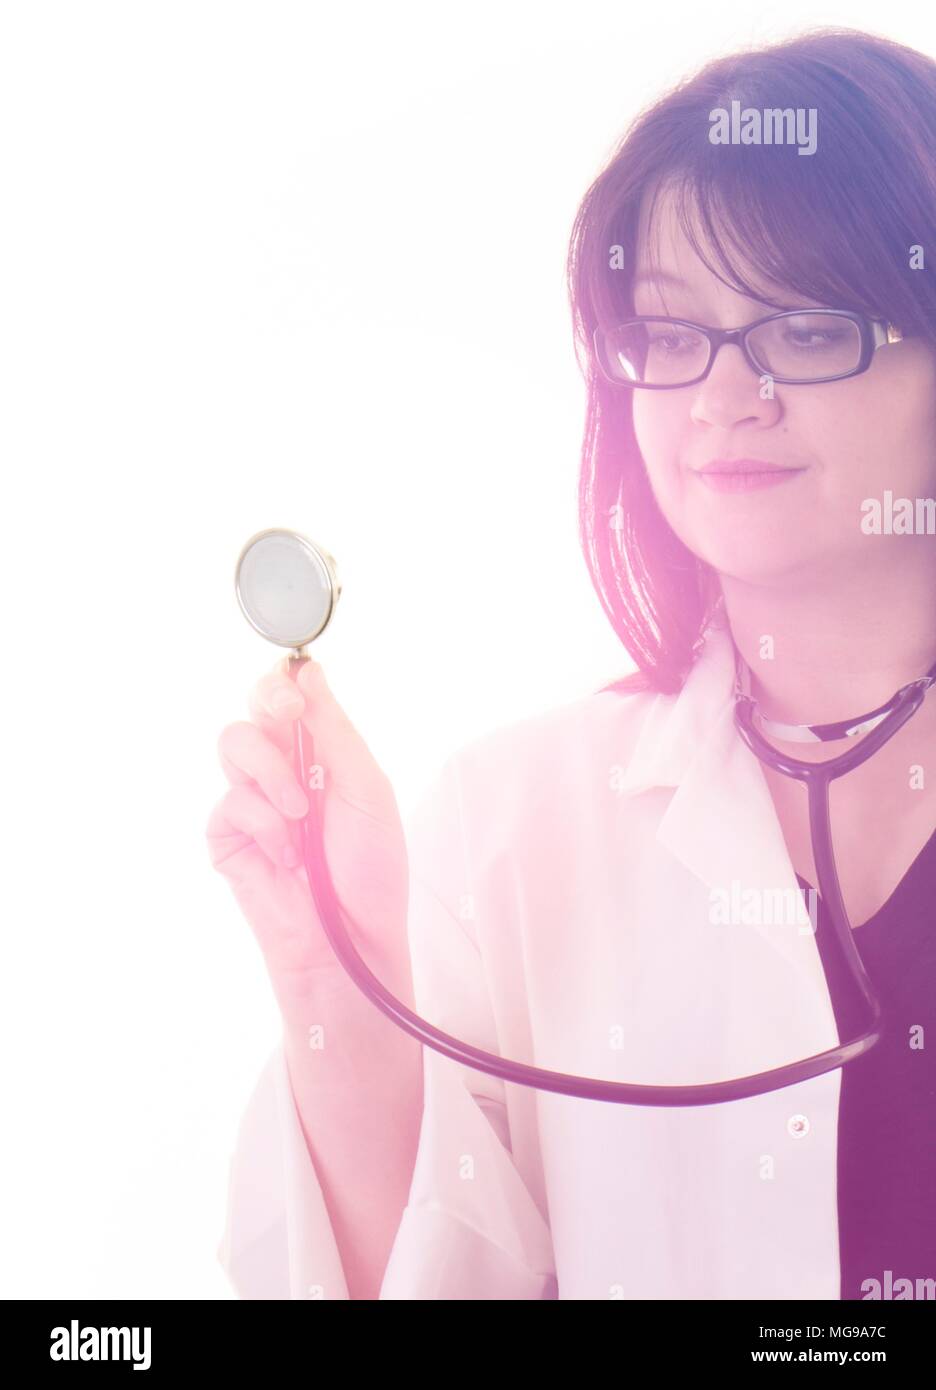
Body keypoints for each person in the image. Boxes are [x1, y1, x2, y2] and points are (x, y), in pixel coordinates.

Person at [205, 26, 936, 1300]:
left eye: (805, 329)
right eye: (669, 332)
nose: (723, 395)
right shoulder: (512, 816)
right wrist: (343, 984)